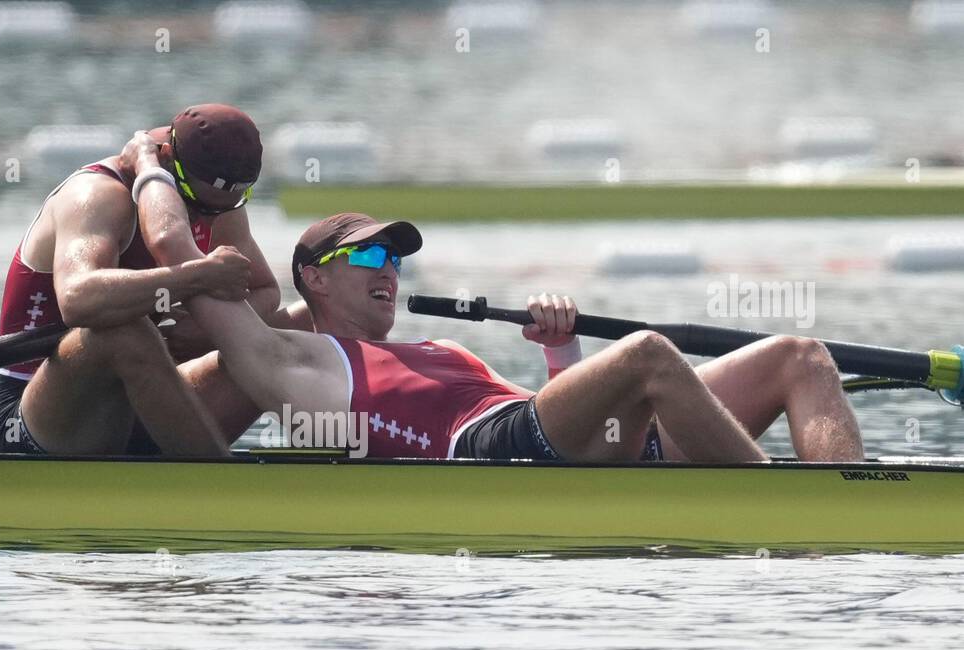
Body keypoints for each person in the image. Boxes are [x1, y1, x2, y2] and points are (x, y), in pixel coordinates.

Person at [135, 204, 865, 463]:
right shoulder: (297, 361)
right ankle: (782, 508)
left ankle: (856, 498)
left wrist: (560, 351)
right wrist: (148, 174)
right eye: (365, 254)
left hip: (547, 436)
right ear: (315, 278)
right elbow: (187, 266)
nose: (386, 267)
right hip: (490, 450)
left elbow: (572, 435)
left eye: (393, 256)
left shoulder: (436, 349)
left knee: (800, 356)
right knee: (647, 354)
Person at [0, 104, 301, 458]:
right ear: (166, 159)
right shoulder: (98, 195)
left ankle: (350, 457)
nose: (202, 217)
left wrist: (204, 330)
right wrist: (197, 275)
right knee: (124, 331)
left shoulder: (216, 198)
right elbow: (77, 300)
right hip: (36, 417)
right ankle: (222, 485)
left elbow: (264, 291)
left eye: (218, 209)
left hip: (145, 405)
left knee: (302, 319)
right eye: (195, 203)